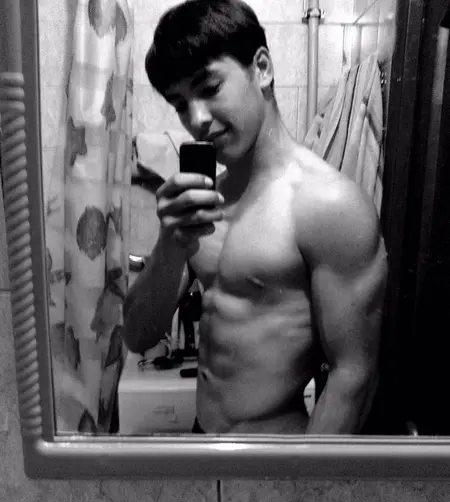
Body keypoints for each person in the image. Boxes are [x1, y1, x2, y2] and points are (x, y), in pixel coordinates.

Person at [123, 0, 388, 435]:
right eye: (180, 105)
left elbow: (353, 376)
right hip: (202, 438)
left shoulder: (329, 204)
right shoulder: (203, 200)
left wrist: (304, 476)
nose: (196, 119)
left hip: (275, 458)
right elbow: (137, 335)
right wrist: (170, 244)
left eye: (209, 88)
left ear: (261, 68)